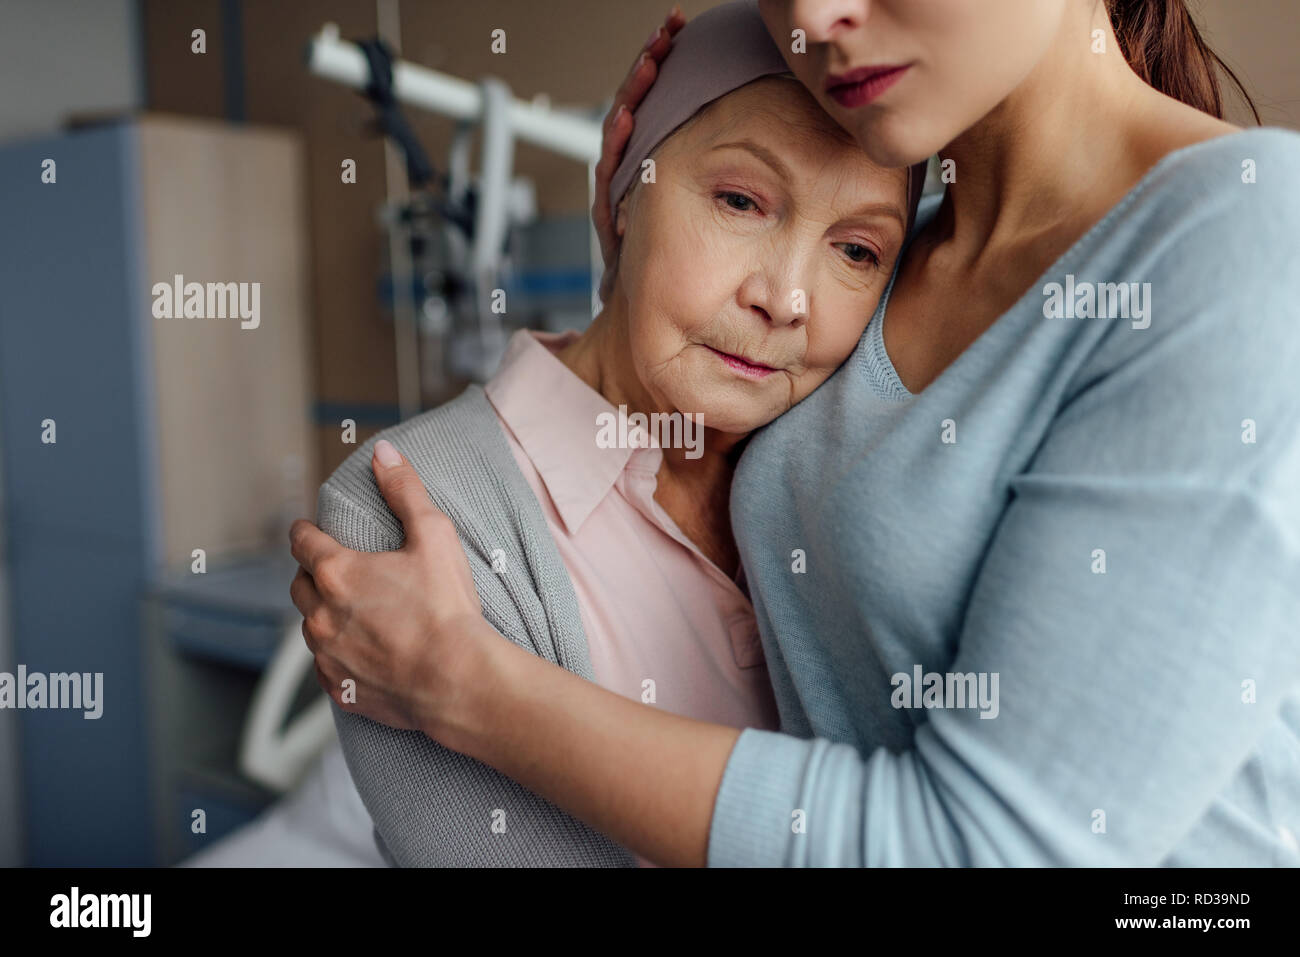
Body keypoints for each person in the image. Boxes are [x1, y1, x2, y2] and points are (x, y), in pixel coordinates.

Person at [292, 0, 1300, 866]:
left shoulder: (1247, 236)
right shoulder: (903, 259)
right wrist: (644, 262)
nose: (815, 20)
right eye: (735, 200)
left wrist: (464, 684)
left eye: (849, 249)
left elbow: (984, 848)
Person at [305, 0, 916, 866]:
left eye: (857, 251)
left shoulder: (835, 479)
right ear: (624, 193)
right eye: (741, 200)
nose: (786, 298)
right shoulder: (409, 505)